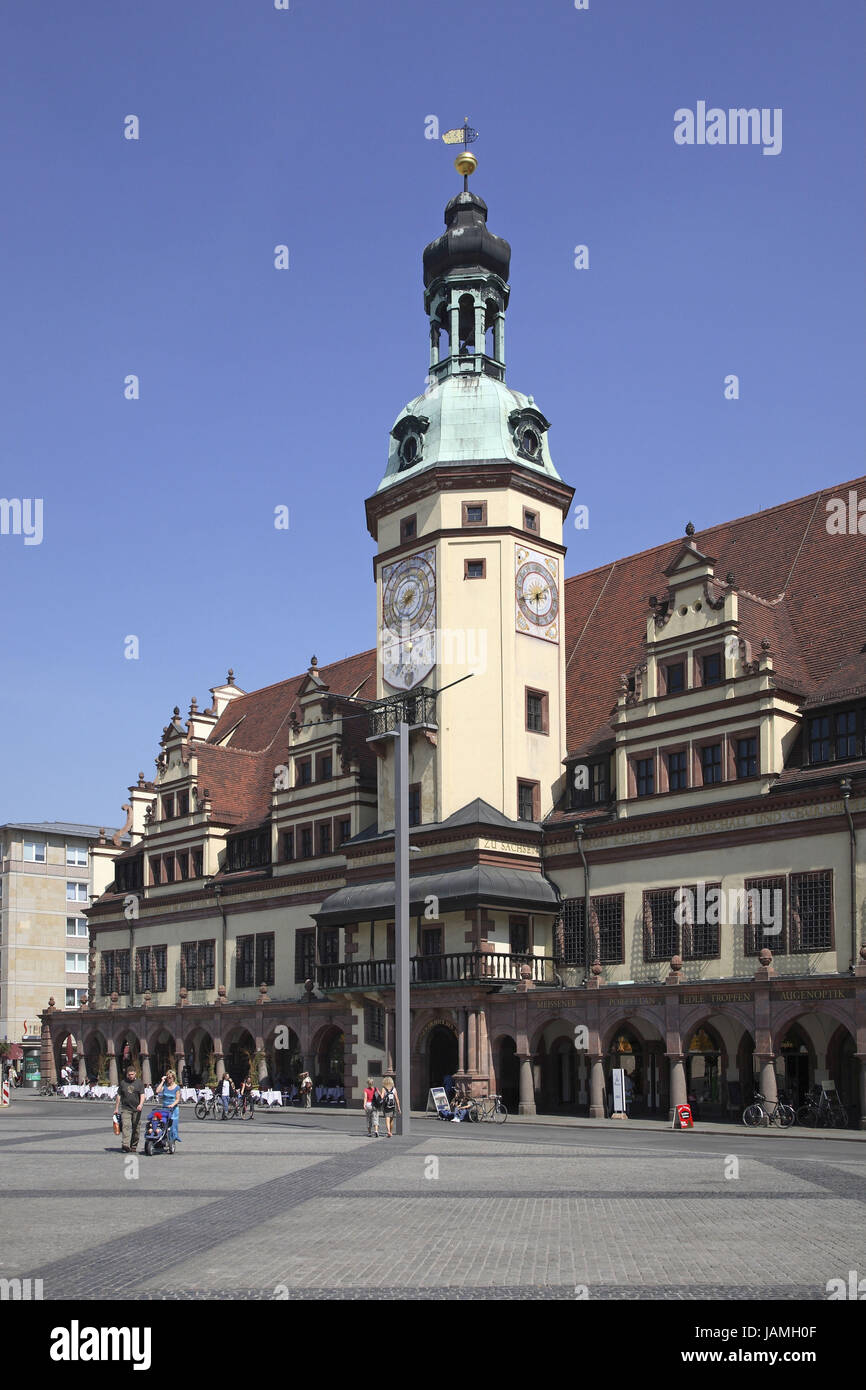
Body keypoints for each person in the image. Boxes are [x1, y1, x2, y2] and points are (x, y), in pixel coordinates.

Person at [113, 1065, 145, 1153]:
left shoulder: (139, 1083)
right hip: (125, 1108)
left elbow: (142, 1095)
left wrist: (141, 1104)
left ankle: (133, 1145)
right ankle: (125, 1145)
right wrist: (116, 1108)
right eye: (129, 1074)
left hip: (136, 1109)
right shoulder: (123, 1083)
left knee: (136, 1128)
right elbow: (119, 1095)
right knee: (125, 1126)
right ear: (127, 1074)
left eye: (132, 1074)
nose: (131, 1076)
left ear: (135, 1074)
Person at [155, 1069, 181, 1146]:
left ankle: (172, 1141)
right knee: (163, 1124)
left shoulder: (177, 1087)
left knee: (172, 1126)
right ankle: (162, 1139)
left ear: (174, 1078)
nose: (169, 1079)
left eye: (170, 1077)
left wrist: (172, 1105)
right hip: (165, 1108)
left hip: (173, 1109)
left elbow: (177, 1099)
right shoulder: (165, 1086)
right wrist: (162, 1081)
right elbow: (157, 1091)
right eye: (168, 1077)